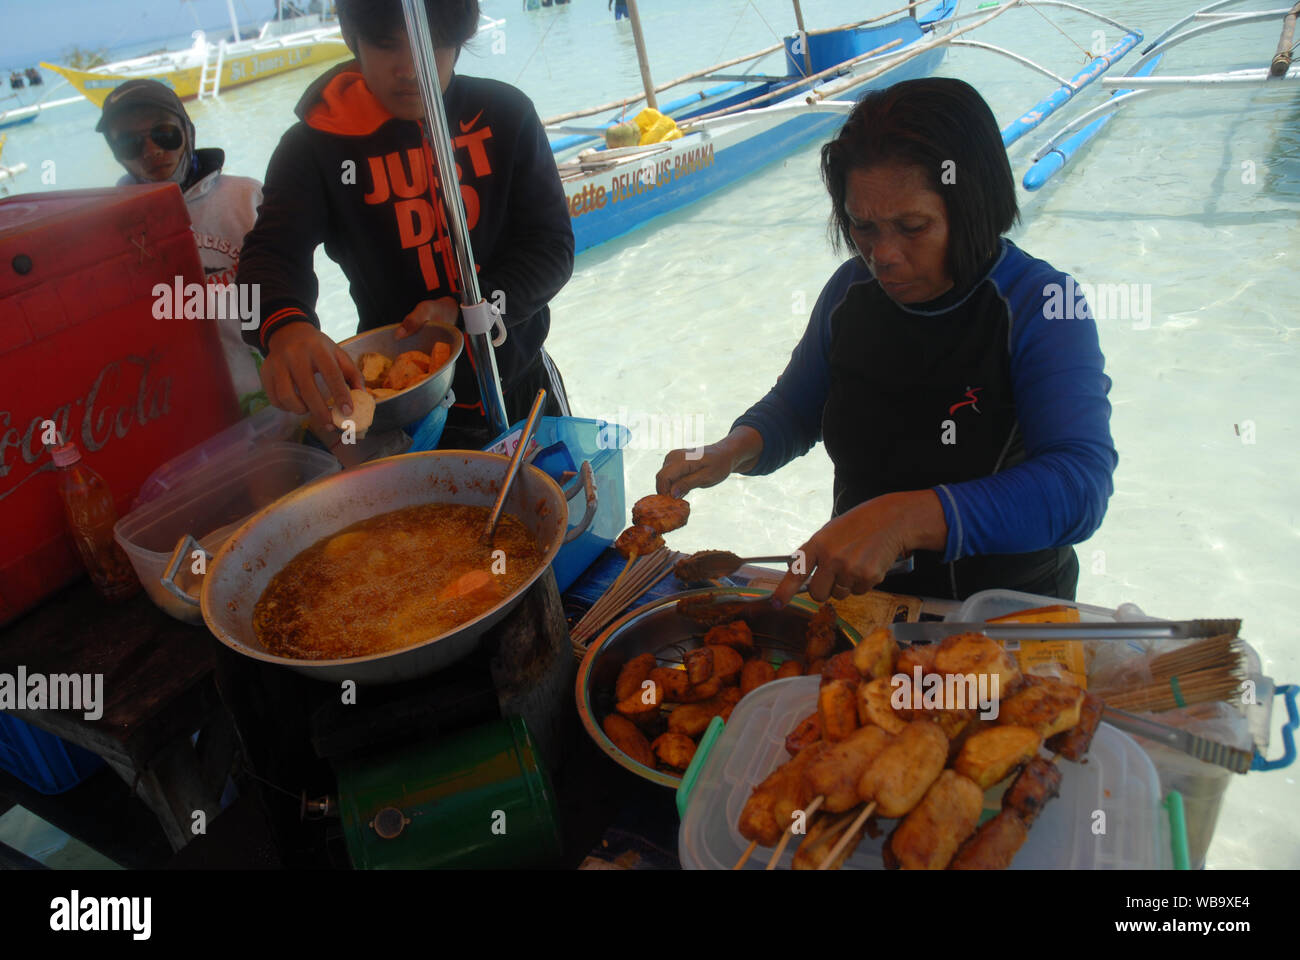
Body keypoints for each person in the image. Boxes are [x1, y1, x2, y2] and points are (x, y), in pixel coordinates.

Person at [656, 78, 1117, 605]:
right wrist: (730, 451)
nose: (884, 256)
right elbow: (797, 407)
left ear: (973, 207)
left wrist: (905, 519)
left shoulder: (1041, 303)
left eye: (913, 226)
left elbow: (1079, 486)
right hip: (864, 601)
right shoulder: (850, 292)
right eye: (862, 226)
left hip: (1000, 613)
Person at [239, 0, 575, 450]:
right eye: (385, 45)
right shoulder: (314, 147)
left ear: (458, 44)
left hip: (521, 381)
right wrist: (286, 329)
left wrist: (464, 308)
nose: (411, 69)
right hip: (402, 409)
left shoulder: (505, 114)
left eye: (434, 44)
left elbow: (552, 247)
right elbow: (267, 258)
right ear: (351, 40)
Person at [97, 79, 266, 414]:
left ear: (188, 131)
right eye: (130, 143)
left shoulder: (247, 197)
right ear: (116, 155)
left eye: (164, 133)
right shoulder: (111, 231)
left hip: (275, 385)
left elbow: (293, 286)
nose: (151, 150)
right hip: (185, 408)